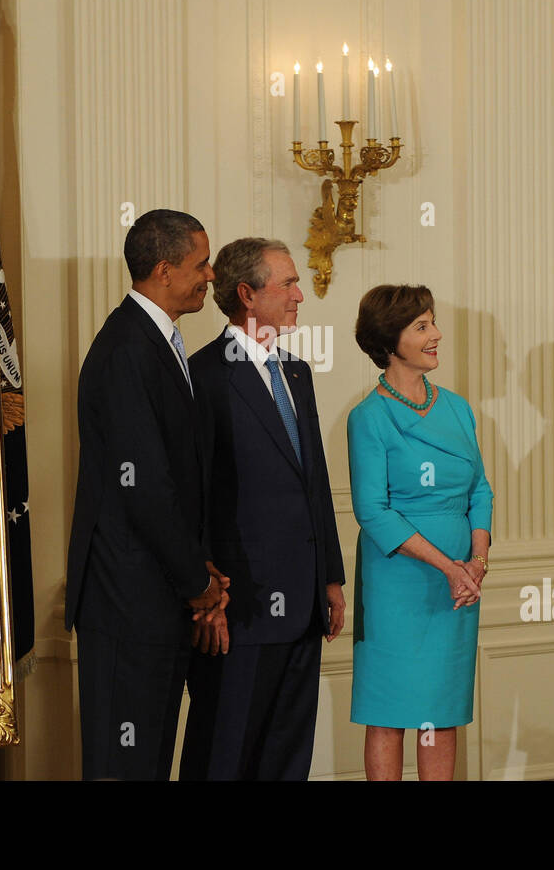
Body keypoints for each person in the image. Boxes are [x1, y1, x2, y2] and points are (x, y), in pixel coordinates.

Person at [64, 208, 227, 780]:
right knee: (125, 764)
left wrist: (197, 571)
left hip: (150, 595)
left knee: (149, 760)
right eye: (201, 263)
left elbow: (178, 476)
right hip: (127, 596)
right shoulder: (129, 348)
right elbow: (146, 486)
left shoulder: (155, 341)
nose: (210, 275)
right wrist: (198, 583)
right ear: (163, 270)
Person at [179, 238, 345, 781]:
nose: (301, 294)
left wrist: (332, 580)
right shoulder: (201, 377)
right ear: (247, 294)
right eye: (289, 284)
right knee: (225, 758)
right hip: (238, 606)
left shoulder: (297, 373)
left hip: (302, 603)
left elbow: (314, 482)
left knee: (287, 758)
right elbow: (191, 496)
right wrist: (207, 601)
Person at [346, 284, 492, 780]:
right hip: (397, 580)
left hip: (459, 582)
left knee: (440, 707)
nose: (437, 335)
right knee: (388, 710)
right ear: (391, 340)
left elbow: (481, 491)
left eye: (433, 323)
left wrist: (476, 561)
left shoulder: (457, 408)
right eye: (422, 326)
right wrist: (448, 566)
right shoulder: (368, 417)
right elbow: (373, 511)